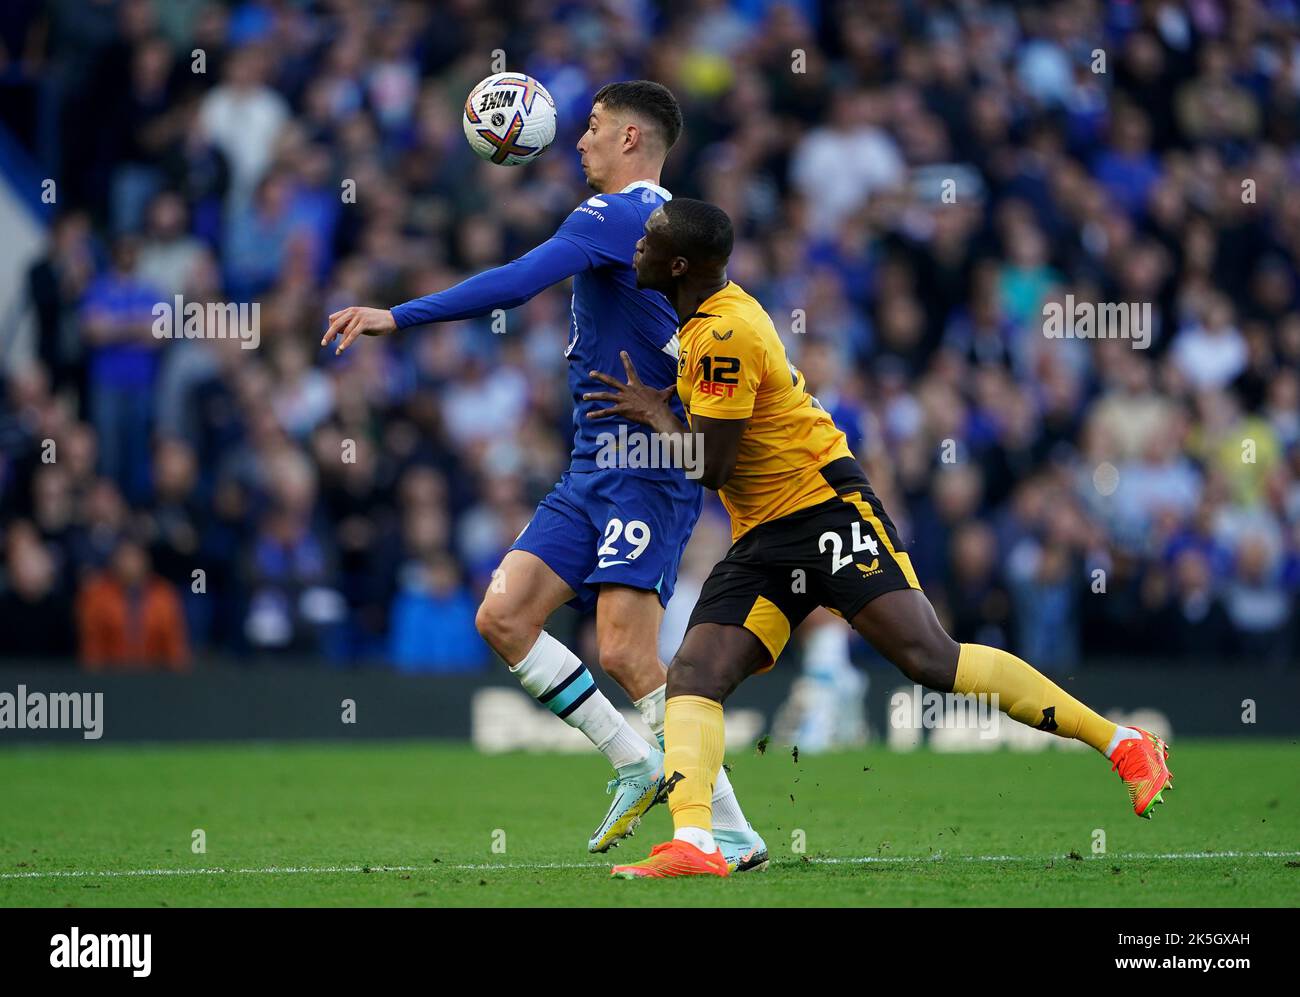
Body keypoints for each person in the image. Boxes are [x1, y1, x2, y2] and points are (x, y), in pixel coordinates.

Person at [579, 199, 1174, 879]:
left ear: (678, 264)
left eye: (649, 239)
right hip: (764, 533)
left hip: (824, 511)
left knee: (929, 657)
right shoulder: (705, 319)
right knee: (694, 672)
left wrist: (659, 416)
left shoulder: (722, 334)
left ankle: (1124, 743)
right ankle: (701, 841)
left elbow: (710, 465)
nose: (637, 247)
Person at [320, 82, 765, 868]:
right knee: (503, 616)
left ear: (632, 139)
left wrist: (398, 315)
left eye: (592, 128)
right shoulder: (641, 226)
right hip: (592, 461)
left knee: (626, 652)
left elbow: (519, 281)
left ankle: (725, 822)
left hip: (645, 467)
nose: (579, 141)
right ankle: (633, 759)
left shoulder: (619, 217)